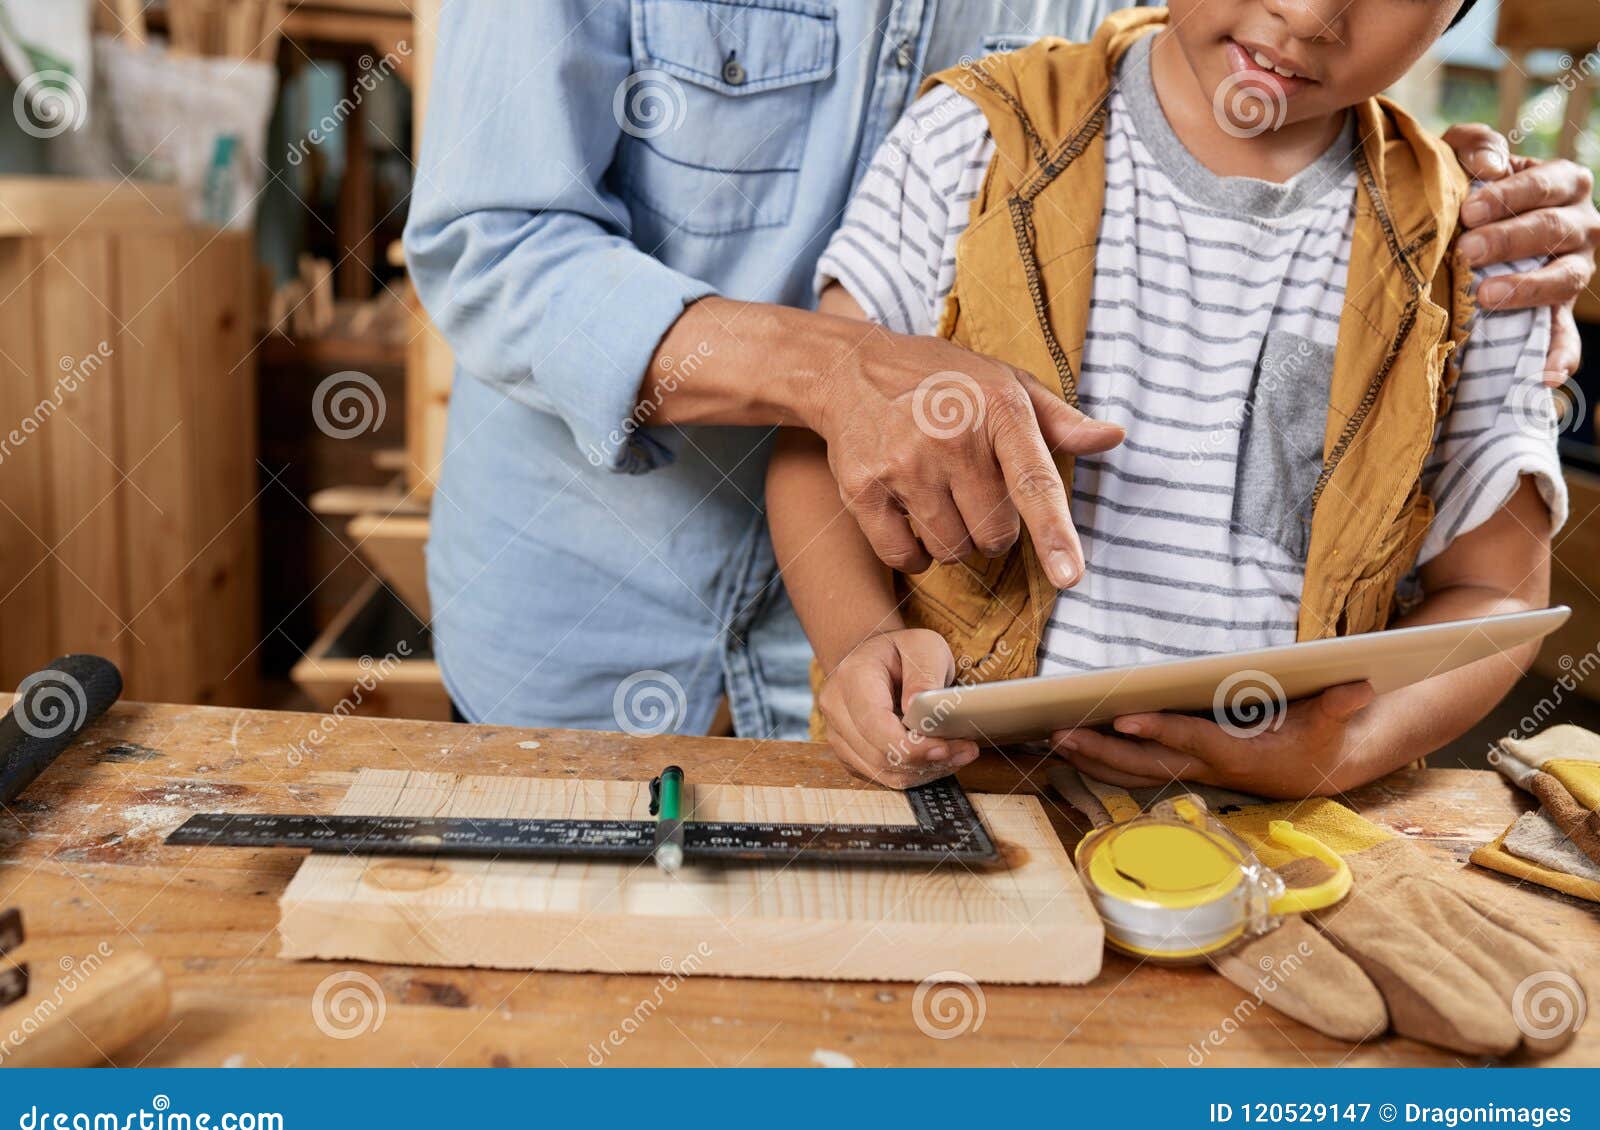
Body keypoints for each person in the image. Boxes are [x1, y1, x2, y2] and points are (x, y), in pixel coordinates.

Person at [404, 1, 1600, 742]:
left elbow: (1224, 99)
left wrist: (1436, 230)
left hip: (995, 753)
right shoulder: (967, 135)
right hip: (595, 623)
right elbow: (490, 243)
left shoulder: (1436, 227)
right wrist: (839, 378)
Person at [767, 0, 1568, 798]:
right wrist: (859, 644)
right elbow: (818, 442)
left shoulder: (1482, 246)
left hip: (1270, 833)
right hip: (955, 796)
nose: (1308, 13)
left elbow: (1497, 593)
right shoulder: (970, 137)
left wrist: (1349, 747)